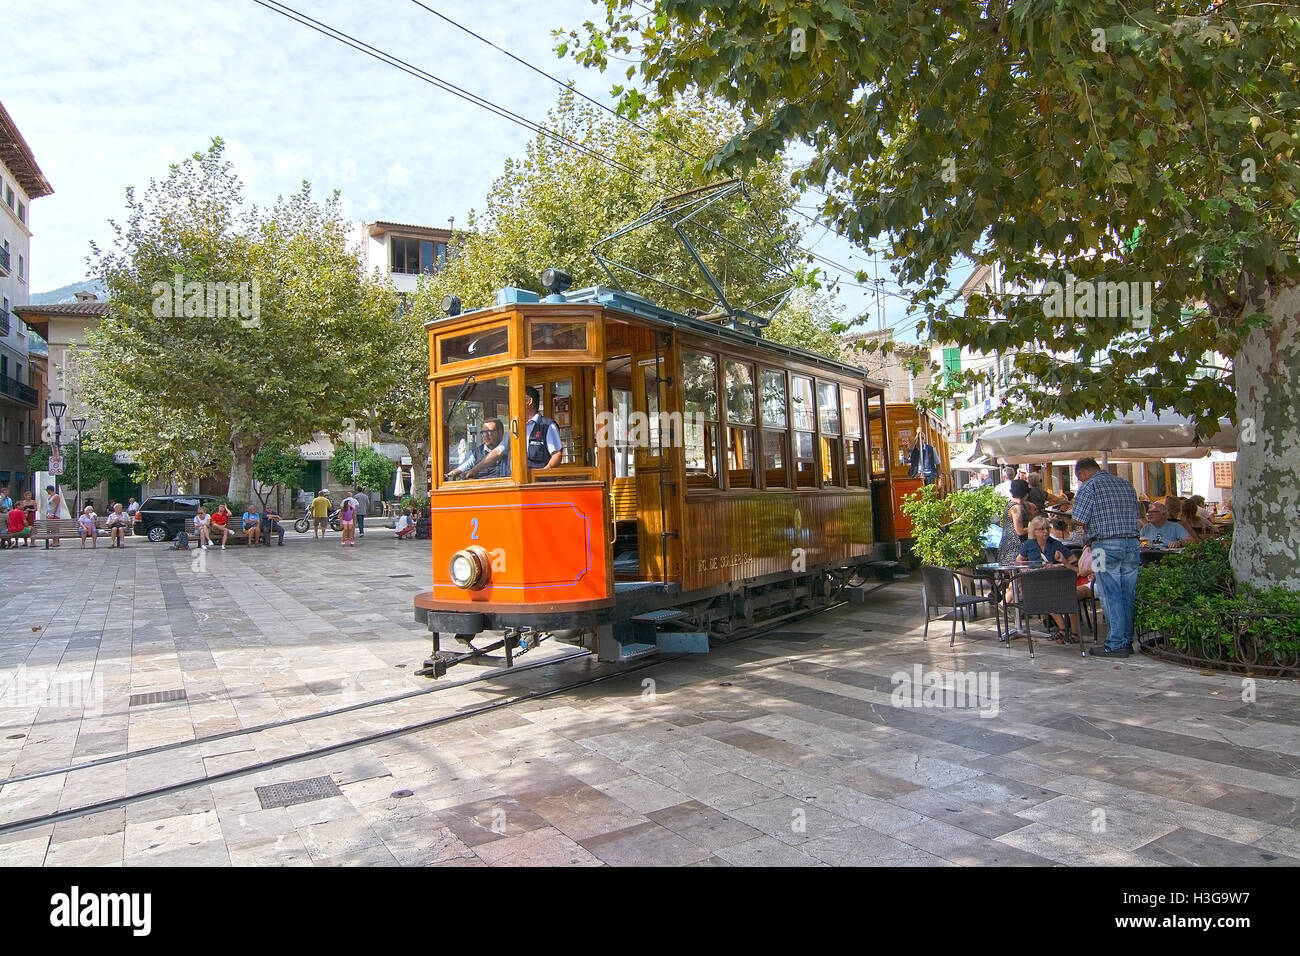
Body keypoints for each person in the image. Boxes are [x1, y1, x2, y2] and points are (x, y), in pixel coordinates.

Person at [1071, 458, 1142, 657]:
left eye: (1079, 478)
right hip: (1131, 545)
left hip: (1104, 546)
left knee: (1109, 593)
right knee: (1127, 594)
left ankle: (1115, 643)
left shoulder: (1089, 486)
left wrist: (1068, 521)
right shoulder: (1126, 484)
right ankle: (1126, 640)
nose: (1080, 481)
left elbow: (1079, 519)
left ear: (1083, 473)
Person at [1017, 516, 1081, 642]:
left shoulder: (1055, 543)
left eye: (1047, 528)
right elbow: (1019, 560)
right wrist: (1026, 567)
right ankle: (1063, 629)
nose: (1045, 531)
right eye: (1041, 529)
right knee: (1045, 596)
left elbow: (1073, 559)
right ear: (1034, 531)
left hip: (1057, 580)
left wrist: (1060, 562)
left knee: (1066, 598)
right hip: (1039, 581)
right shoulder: (1029, 544)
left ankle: (1074, 633)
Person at [523, 385, 563, 469]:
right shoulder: (517, 427)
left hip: (539, 480)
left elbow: (557, 455)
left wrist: (542, 473)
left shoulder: (547, 425)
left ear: (528, 401)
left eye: (518, 399)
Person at [997, 479, 1035, 565]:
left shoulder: (1011, 504)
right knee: (1017, 575)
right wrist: (1034, 528)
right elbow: (1020, 531)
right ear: (1026, 494)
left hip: (1008, 544)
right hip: (1015, 547)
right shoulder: (1016, 508)